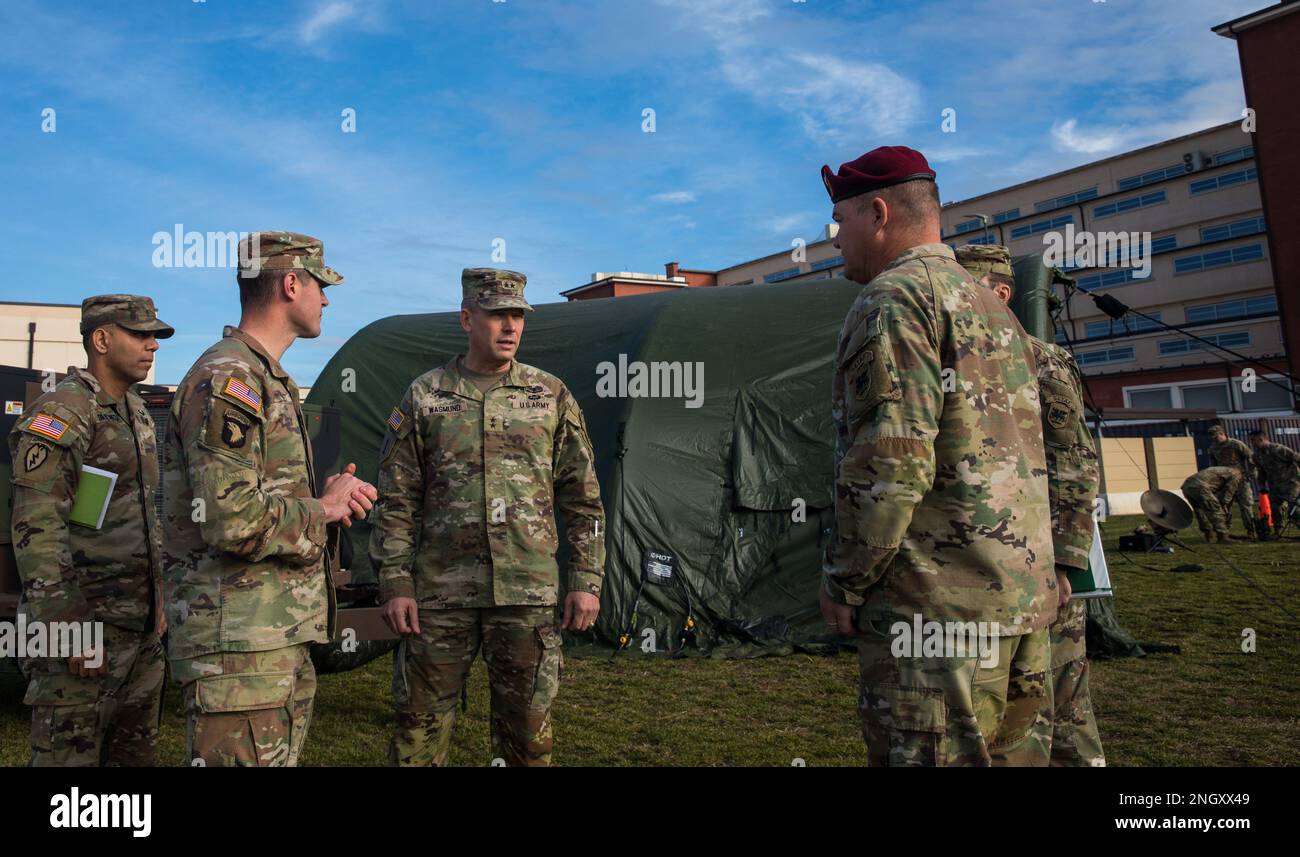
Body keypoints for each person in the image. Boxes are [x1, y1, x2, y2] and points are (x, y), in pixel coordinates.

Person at [818, 147, 1058, 767]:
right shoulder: (990, 307)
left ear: (877, 213)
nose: (834, 239)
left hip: (937, 614)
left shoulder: (895, 300)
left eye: (838, 222)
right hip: (1019, 600)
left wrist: (846, 580)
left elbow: (891, 462)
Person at [371, 267, 605, 767]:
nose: (510, 326)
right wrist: (395, 581)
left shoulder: (549, 396)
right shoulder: (426, 396)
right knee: (417, 734)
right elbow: (397, 499)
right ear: (466, 318)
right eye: (497, 314)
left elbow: (582, 498)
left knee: (527, 737)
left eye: (517, 315)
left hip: (526, 595)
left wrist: (586, 578)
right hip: (439, 598)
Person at [163, 231, 376, 766]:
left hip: (269, 639)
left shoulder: (264, 376)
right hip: (238, 649)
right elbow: (229, 517)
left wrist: (330, 498)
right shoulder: (229, 377)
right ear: (289, 284)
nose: (325, 299)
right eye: (320, 285)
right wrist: (323, 509)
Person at [8, 295, 172, 766]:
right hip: (85, 631)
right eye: (139, 334)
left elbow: (142, 518)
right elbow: (36, 526)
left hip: (138, 633)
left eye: (154, 337)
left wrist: (157, 604)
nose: (151, 346)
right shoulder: (62, 413)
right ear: (101, 339)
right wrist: (67, 627)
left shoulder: (135, 412)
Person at [957, 244, 1105, 767]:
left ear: (1000, 292)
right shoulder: (963, 359)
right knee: (1006, 711)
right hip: (994, 568)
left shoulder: (1040, 360)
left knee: (1061, 697)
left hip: (1046, 562)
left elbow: (1075, 462)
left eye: (967, 288)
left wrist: (1067, 561)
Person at [1208, 424, 1260, 539]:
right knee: (1224, 506)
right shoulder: (1213, 448)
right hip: (1225, 482)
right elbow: (1212, 466)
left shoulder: (1236, 444)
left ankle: (1251, 531)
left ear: (1222, 434)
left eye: (1216, 437)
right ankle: (1224, 532)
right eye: (1213, 438)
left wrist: (1250, 474)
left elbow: (1250, 457)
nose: (1215, 440)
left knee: (1245, 506)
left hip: (1240, 480)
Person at [1249, 430, 1300, 534]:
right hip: (1274, 486)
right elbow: (1261, 471)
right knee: (1275, 509)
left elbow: (1297, 458)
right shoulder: (1257, 456)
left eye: (1253, 440)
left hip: (1290, 484)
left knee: (1293, 508)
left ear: (1261, 439)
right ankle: (1278, 531)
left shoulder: (1278, 449)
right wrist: (1262, 486)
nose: (1252, 443)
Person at [1181, 466, 1243, 543]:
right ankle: (1223, 536)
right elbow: (1229, 490)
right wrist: (1224, 504)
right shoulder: (1235, 474)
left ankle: (1209, 535)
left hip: (1187, 486)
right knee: (1215, 509)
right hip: (1200, 486)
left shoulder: (1223, 470)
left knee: (1200, 511)